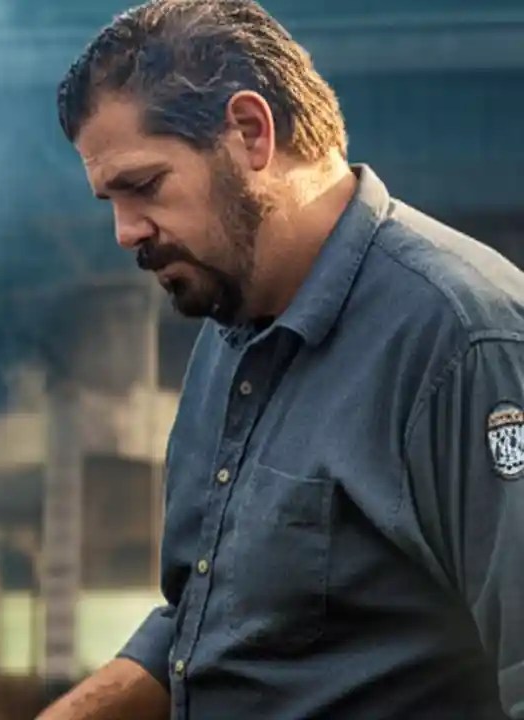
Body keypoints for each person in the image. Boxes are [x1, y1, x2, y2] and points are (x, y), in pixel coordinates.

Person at [37, 1, 524, 718]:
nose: (124, 232)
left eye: (142, 186)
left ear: (250, 131)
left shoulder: (462, 340)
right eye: (109, 199)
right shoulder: (228, 337)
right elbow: (210, 620)